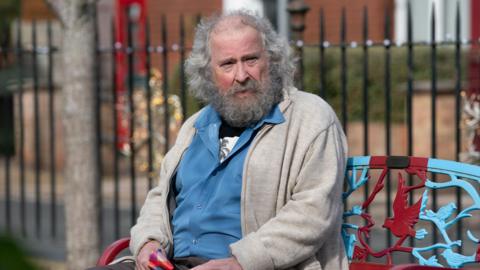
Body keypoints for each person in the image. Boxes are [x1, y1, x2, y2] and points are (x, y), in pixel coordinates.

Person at [90, 10, 348, 270]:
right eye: (228, 64)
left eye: (251, 59)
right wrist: (148, 243)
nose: (241, 75)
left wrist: (239, 263)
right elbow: (160, 198)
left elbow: (312, 214)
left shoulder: (311, 117)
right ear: (208, 72)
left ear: (272, 60)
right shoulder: (196, 125)